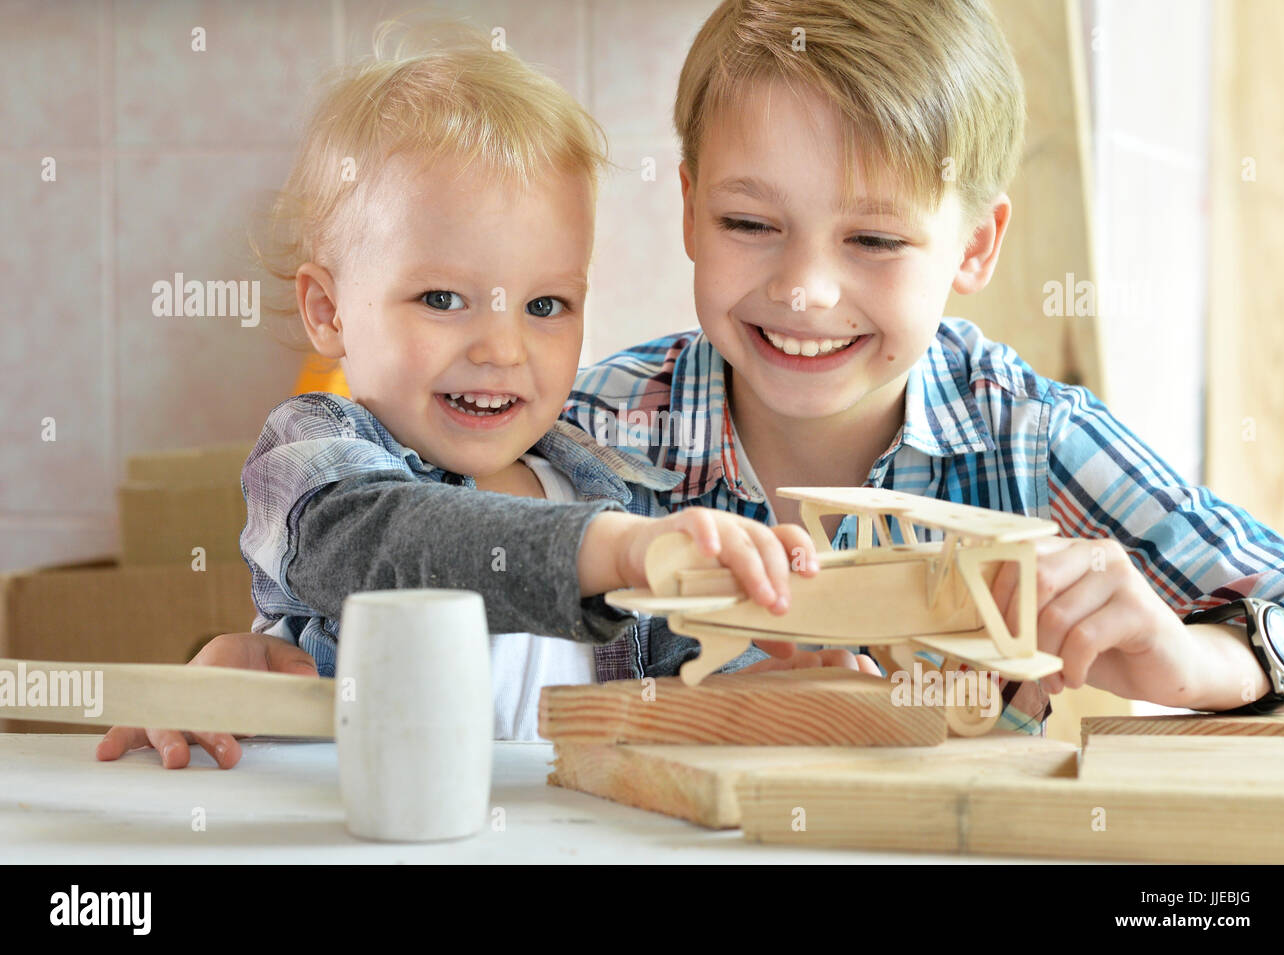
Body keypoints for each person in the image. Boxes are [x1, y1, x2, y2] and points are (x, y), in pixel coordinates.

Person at [97, 22, 875, 770]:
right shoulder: (313, 458)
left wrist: (770, 687)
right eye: (441, 298)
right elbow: (387, 545)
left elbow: (680, 672)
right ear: (328, 311)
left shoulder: (605, 486)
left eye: (545, 307)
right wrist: (606, 550)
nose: (502, 349)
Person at [563, 0, 1284, 734]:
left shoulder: (1027, 435)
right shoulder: (591, 431)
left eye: (875, 239)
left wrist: (1200, 662)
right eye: (749, 224)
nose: (803, 291)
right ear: (691, 212)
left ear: (976, 245)